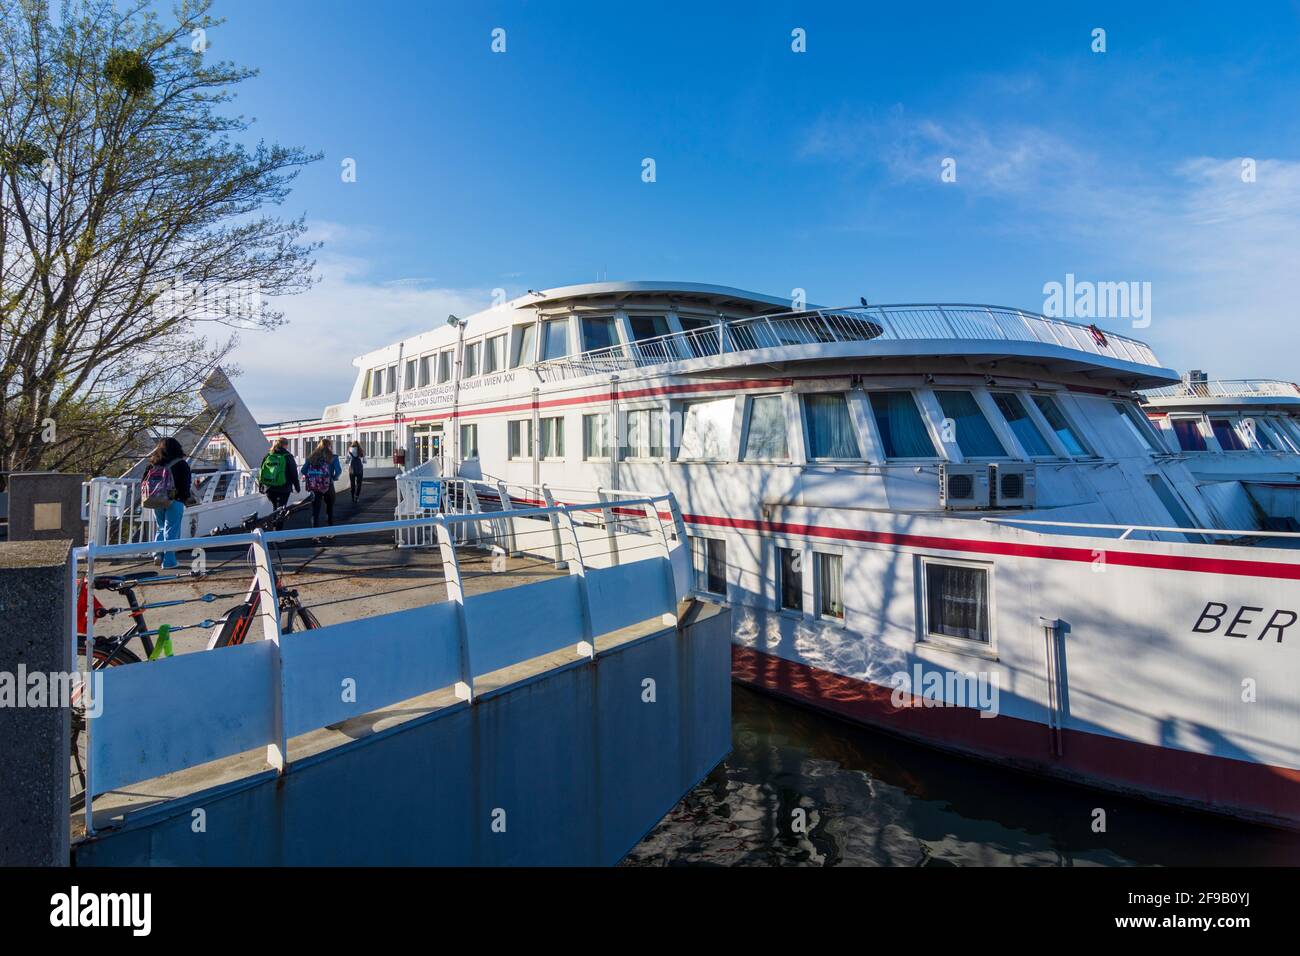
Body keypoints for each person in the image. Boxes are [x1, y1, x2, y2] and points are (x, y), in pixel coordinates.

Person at [142, 437, 192, 569]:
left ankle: (157, 554)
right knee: (172, 530)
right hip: (174, 501)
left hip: (156, 500)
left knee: (161, 527)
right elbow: (185, 485)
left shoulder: (152, 464)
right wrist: (185, 498)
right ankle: (169, 561)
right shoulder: (181, 464)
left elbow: (143, 482)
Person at [303, 438, 342, 528]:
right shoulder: (333, 457)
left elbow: (303, 470)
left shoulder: (311, 457)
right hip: (329, 485)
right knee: (329, 509)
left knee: (315, 511)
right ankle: (329, 532)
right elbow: (338, 471)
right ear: (330, 446)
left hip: (315, 486)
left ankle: (315, 535)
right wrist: (334, 478)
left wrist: (313, 477)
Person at [259, 437, 300, 511]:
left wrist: (261, 485)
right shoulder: (288, 456)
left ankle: (275, 521)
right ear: (285, 445)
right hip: (284, 487)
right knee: (281, 509)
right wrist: (297, 487)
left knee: (275, 507)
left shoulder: (268, 455)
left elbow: (262, 470)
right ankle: (278, 522)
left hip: (269, 487)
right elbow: (293, 473)